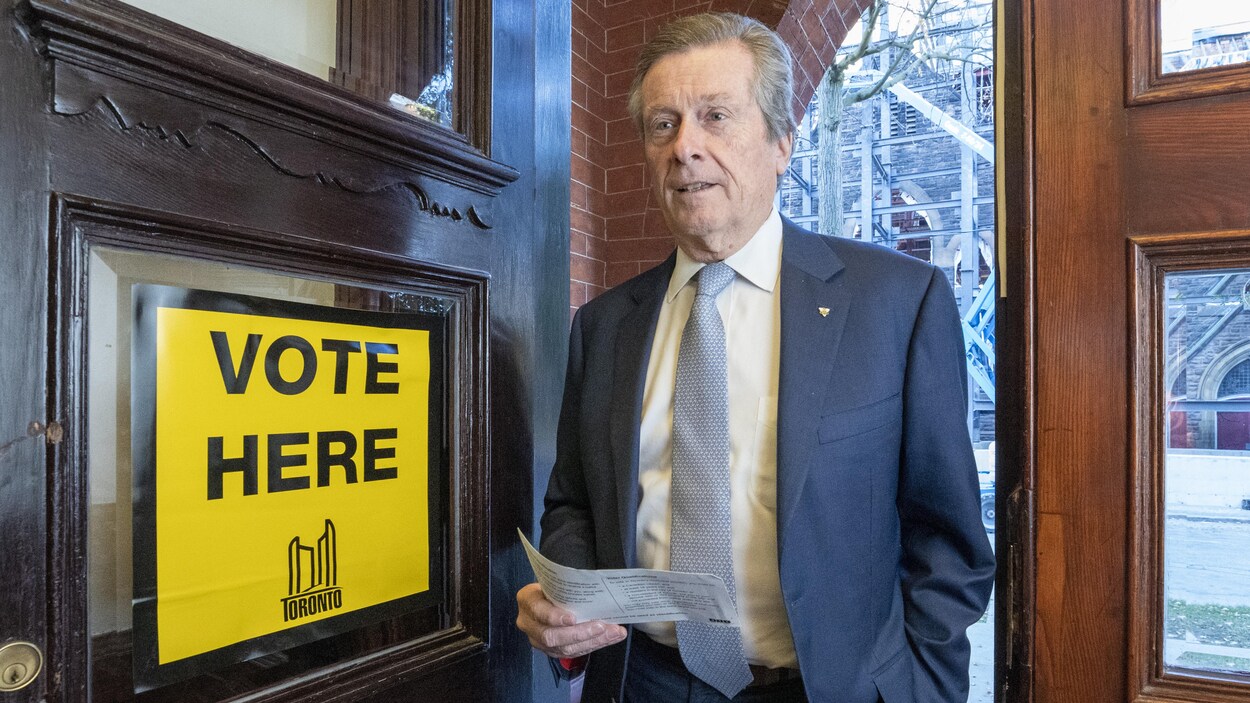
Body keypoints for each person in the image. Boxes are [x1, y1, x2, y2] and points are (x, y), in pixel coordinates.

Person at [516, 11, 995, 703]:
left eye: (716, 116)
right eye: (663, 124)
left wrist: (922, 687)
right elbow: (575, 504)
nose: (685, 147)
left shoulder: (897, 302)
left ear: (781, 144)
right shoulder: (603, 327)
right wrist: (568, 607)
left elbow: (947, 542)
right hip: (643, 682)